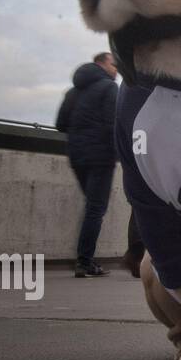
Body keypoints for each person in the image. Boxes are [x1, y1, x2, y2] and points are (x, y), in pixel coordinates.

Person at [56, 52, 119, 278]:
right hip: (101, 156)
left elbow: (60, 124)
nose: (117, 68)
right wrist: (118, 152)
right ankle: (84, 261)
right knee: (95, 208)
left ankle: (85, 258)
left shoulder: (73, 91)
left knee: (91, 207)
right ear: (101, 63)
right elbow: (114, 123)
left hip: (77, 155)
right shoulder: (109, 88)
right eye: (114, 64)